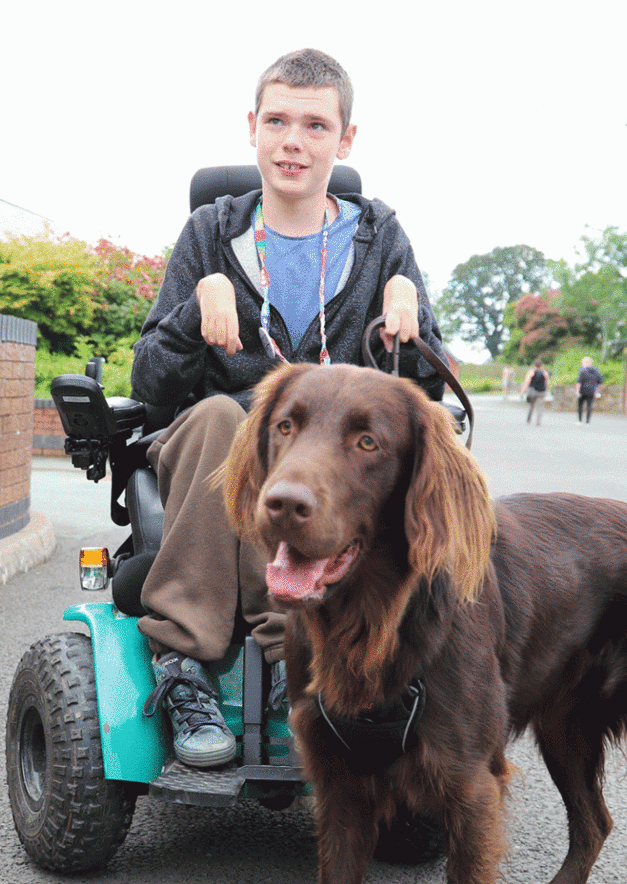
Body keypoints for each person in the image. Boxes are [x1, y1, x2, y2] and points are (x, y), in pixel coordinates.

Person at [129, 48, 447, 769]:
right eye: (277, 121)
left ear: (346, 139)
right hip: (221, 440)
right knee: (224, 419)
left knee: (324, 451)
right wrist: (193, 308)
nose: (293, 141)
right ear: (253, 128)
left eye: (314, 124)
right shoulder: (211, 233)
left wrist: (412, 315)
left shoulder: (380, 239)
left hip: (335, 463)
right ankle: (185, 666)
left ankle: (293, 660)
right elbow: (149, 382)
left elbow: (421, 397)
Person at [575, 355, 602, 423]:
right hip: (591, 391)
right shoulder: (596, 371)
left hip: (582, 391)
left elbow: (579, 382)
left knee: (580, 406)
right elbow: (599, 382)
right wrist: (597, 392)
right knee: (589, 406)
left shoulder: (582, 371)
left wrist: (577, 391)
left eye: (583, 363)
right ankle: (587, 421)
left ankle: (580, 420)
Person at [521, 359, 549, 425]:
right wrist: (546, 390)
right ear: (541, 365)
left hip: (533, 391)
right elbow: (546, 382)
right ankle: (538, 421)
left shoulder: (531, 372)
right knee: (540, 406)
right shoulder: (545, 372)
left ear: (534, 365)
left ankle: (529, 419)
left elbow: (527, 382)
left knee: (532, 406)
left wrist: (522, 391)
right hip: (541, 391)